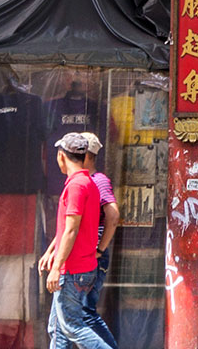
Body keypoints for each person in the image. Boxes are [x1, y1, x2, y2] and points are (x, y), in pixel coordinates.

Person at [39, 133, 116, 349]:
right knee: (57, 327)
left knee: (73, 326)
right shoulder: (86, 183)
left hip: (73, 270)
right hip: (80, 267)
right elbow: (69, 228)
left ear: (61, 156)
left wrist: (56, 268)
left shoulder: (77, 186)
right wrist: (51, 253)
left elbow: (71, 231)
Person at [77, 135, 121, 348]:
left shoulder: (98, 180)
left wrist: (99, 249)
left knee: (85, 312)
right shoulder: (82, 181)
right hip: (84, 256)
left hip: (93, 257)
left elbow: (112, 215)